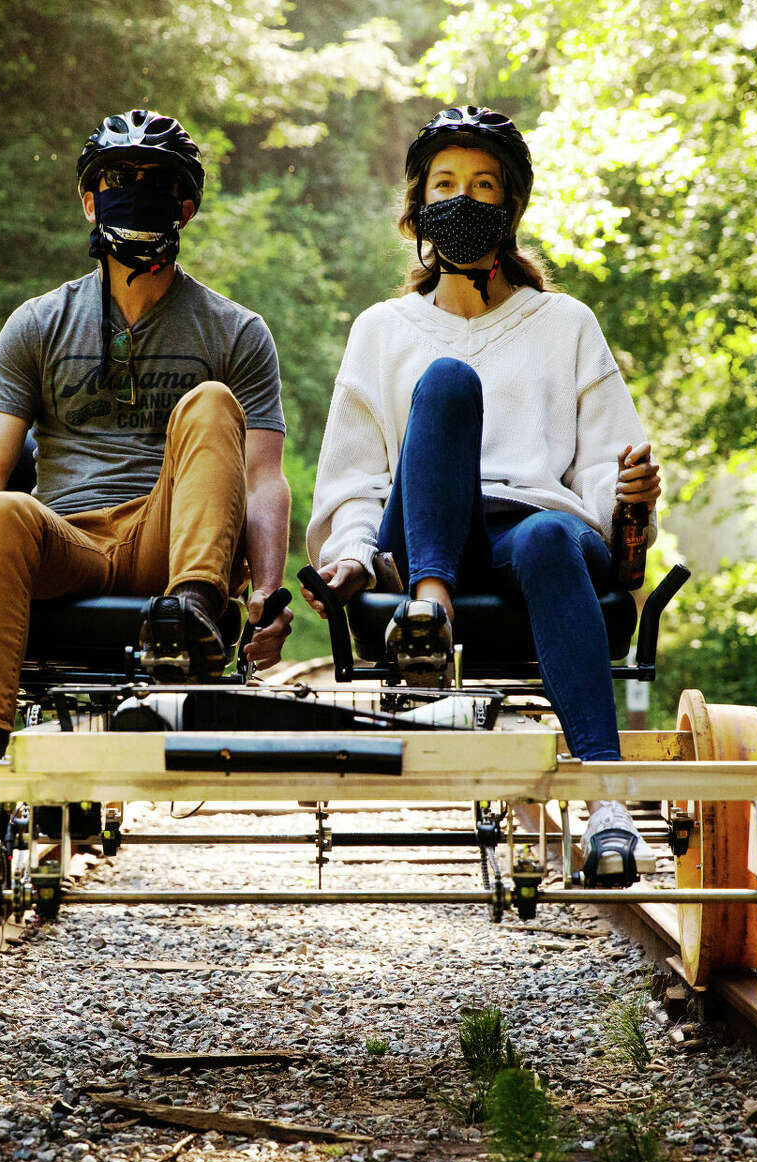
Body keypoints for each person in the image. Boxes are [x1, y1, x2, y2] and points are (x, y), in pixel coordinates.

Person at [0, 108, 294, 881]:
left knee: (213, 401)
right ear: (90, 200)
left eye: (155, 184)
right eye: (117, 182)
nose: (134, 195)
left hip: (171, 547)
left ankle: (191, 617)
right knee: (6, 509)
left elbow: (262, 478)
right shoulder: (37, 323)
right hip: (67, 541)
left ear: (185, 206)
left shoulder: (236, 330)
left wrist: (270, 594)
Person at [302, 105, 663, 882]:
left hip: (534, 535)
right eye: (447, 184)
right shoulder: (382, 329)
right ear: (418, 209)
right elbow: (357, 478)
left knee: (546, 536)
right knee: (447, 382)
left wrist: (628, 495)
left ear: (511, 208)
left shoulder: (565, 323)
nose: (464, 200)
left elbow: (603, 466)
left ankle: (606, 803)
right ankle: (430, 606)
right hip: (427, 535)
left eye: (484, 186)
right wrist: (353, 555)